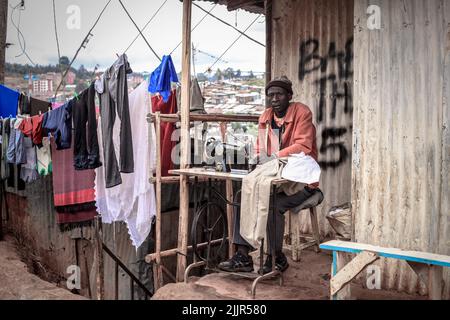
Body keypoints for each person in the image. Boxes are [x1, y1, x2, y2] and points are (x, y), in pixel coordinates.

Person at [218, 76, 323, 274]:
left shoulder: (302, 112)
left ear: (289, 96)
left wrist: (273, 156)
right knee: (245, 194)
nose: (274, 99)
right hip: (279, 178)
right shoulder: (266, 117)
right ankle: (243, 255)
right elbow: (261, 149)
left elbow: (303, 146)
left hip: (304, 183)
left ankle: (277, 257)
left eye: (279, 94)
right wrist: (257, 157)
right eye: (270, 95)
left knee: (273, 205)